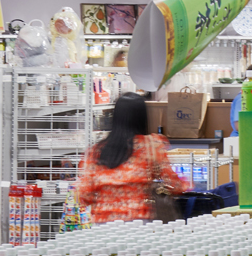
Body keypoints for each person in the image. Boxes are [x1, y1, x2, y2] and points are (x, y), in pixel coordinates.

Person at [75, 92, 190, 224]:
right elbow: (175, 185)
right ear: (142, 117)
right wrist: (188, 184)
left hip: (103, 225)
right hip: (139, 222)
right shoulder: (151, 146)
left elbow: (84, 194)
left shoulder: (95, 151)